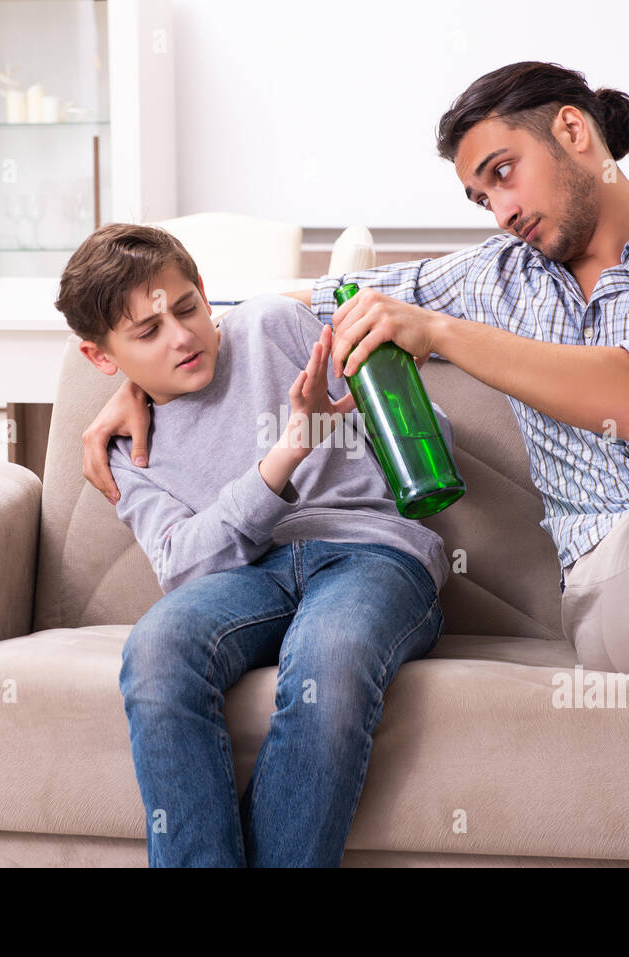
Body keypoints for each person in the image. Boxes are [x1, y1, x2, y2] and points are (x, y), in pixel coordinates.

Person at [79, 62, 629, 867]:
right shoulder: (499, 276)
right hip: (624, 597)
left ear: (575, 133)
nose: (498, 210)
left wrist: (446, 333)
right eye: (478, 195)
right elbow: (302, 301)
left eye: (502, 172)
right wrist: (142, 384)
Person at [54, 222, 454, 866]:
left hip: (370, 553)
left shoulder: (272, 325)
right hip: (248, 577)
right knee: (157, 648)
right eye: (148, 333)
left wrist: (384, 403)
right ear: (102, 358)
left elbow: (431, 440)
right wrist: (289, 448)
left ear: (204, 294)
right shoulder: (123, 451)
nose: (181, 336)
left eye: (186, 309)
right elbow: (185, 565)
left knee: (333, 654)